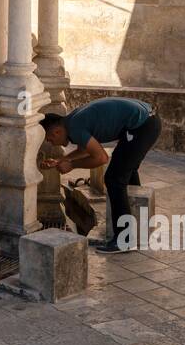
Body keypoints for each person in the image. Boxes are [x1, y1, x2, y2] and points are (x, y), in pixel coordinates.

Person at [40, 97, 162, 254]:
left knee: (114, 179)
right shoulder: (72, 121)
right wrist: (62, 160)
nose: (52, 143)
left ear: (56, 131)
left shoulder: (75, 127)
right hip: (147, 120)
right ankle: (137, 224)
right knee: (125, 170)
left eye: (50, 139)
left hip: (142, 126)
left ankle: (124, 240)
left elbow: (101, 158)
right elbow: (85, 150)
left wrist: (71, 165)